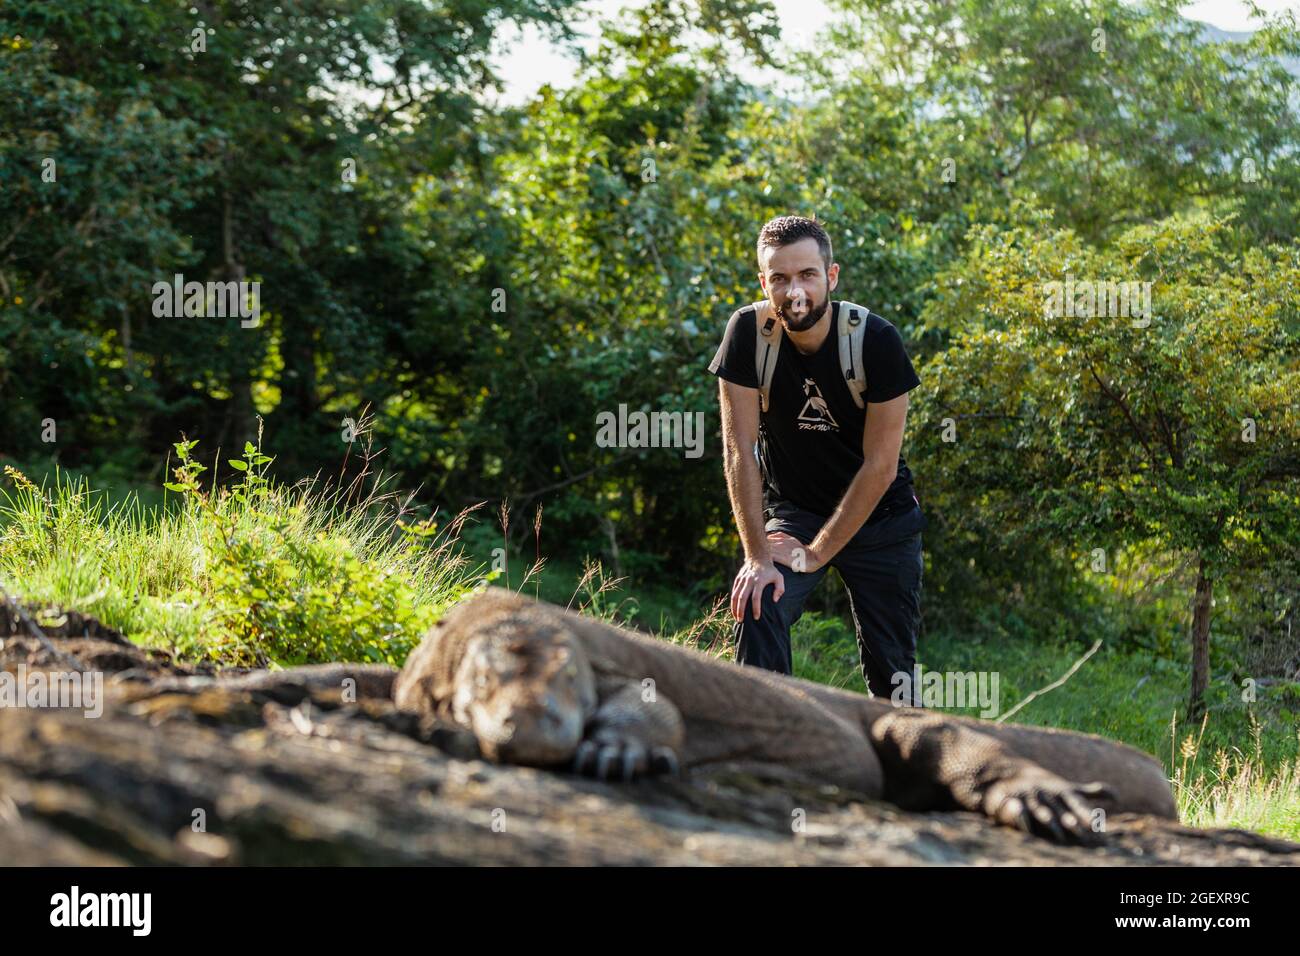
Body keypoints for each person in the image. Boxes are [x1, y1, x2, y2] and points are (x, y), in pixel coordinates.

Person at [708, 214, 926, 704]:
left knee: (895, 678)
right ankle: (772, 746)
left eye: (807, 275)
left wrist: (820, 551)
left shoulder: (876, 341)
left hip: (881, 519)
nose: (795, 291)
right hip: (796, 513)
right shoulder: (748, 333)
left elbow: (880, 466)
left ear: (831, 276)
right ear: (763, 282)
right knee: (759, 598)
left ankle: (904, 767)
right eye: (779, 279)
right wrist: (758, 557)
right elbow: (738, 451)